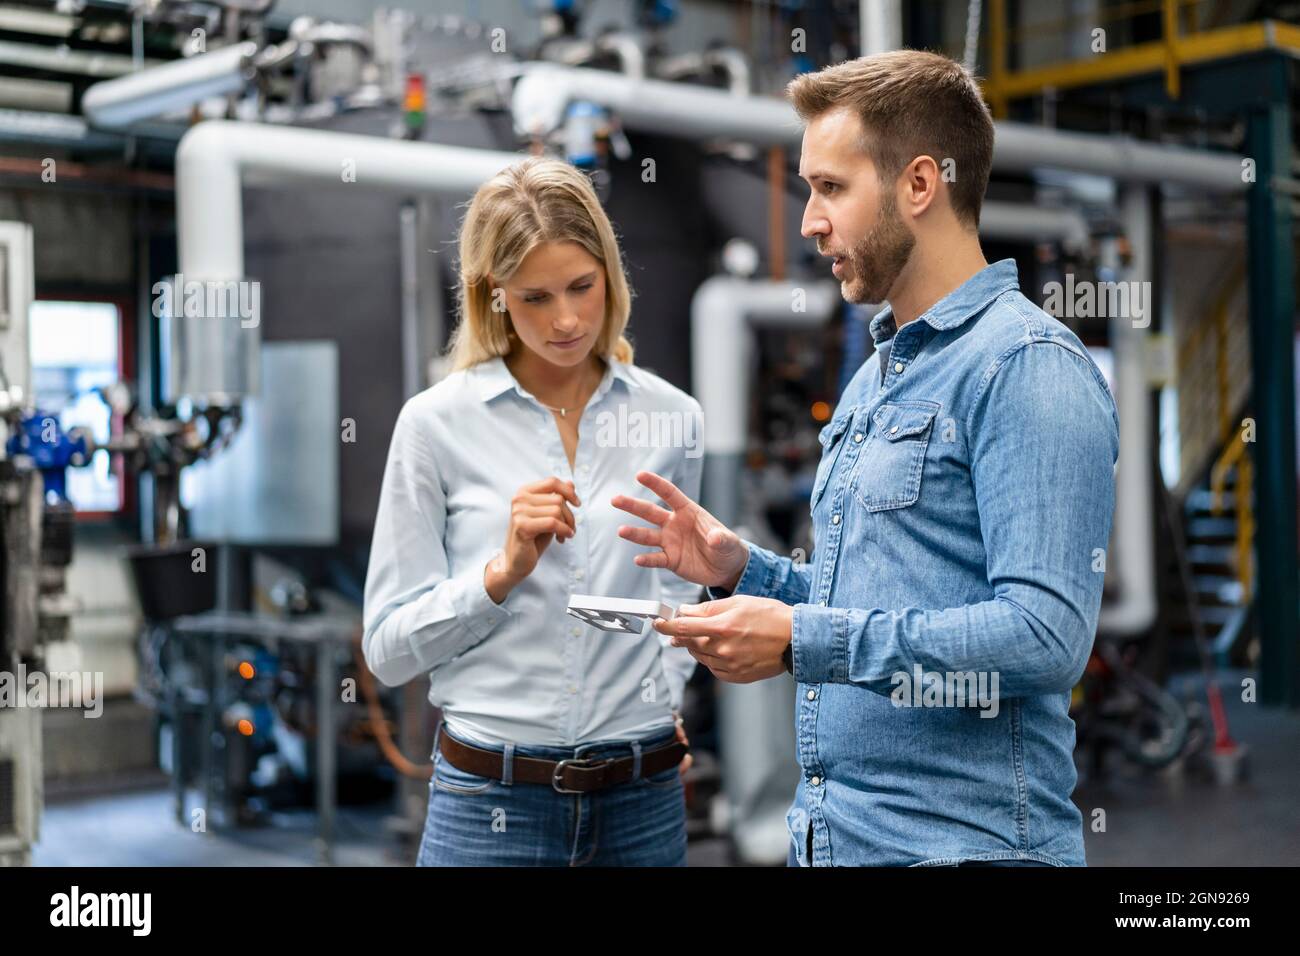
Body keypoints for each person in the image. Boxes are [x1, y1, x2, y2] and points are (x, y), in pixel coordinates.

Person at [613, 50, 1119, 867]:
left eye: (830, 188)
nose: (809, 221)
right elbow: (882, 600)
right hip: (838, 842)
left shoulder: (1025, 367)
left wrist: (802, 640)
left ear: (920, 184)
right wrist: (746, 571)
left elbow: (1042, 637)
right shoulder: (878, 376)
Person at [363, 156, 701, 866]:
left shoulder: (673, 418)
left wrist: (660, 699)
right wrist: (500, 574)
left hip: (642, 798)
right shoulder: (435, 425)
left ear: (610, 273)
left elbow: (675, 595)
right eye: (535, 297)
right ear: (493, 295)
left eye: (582, 286)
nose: (567, 319)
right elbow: (388, 651)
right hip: (489, 803)